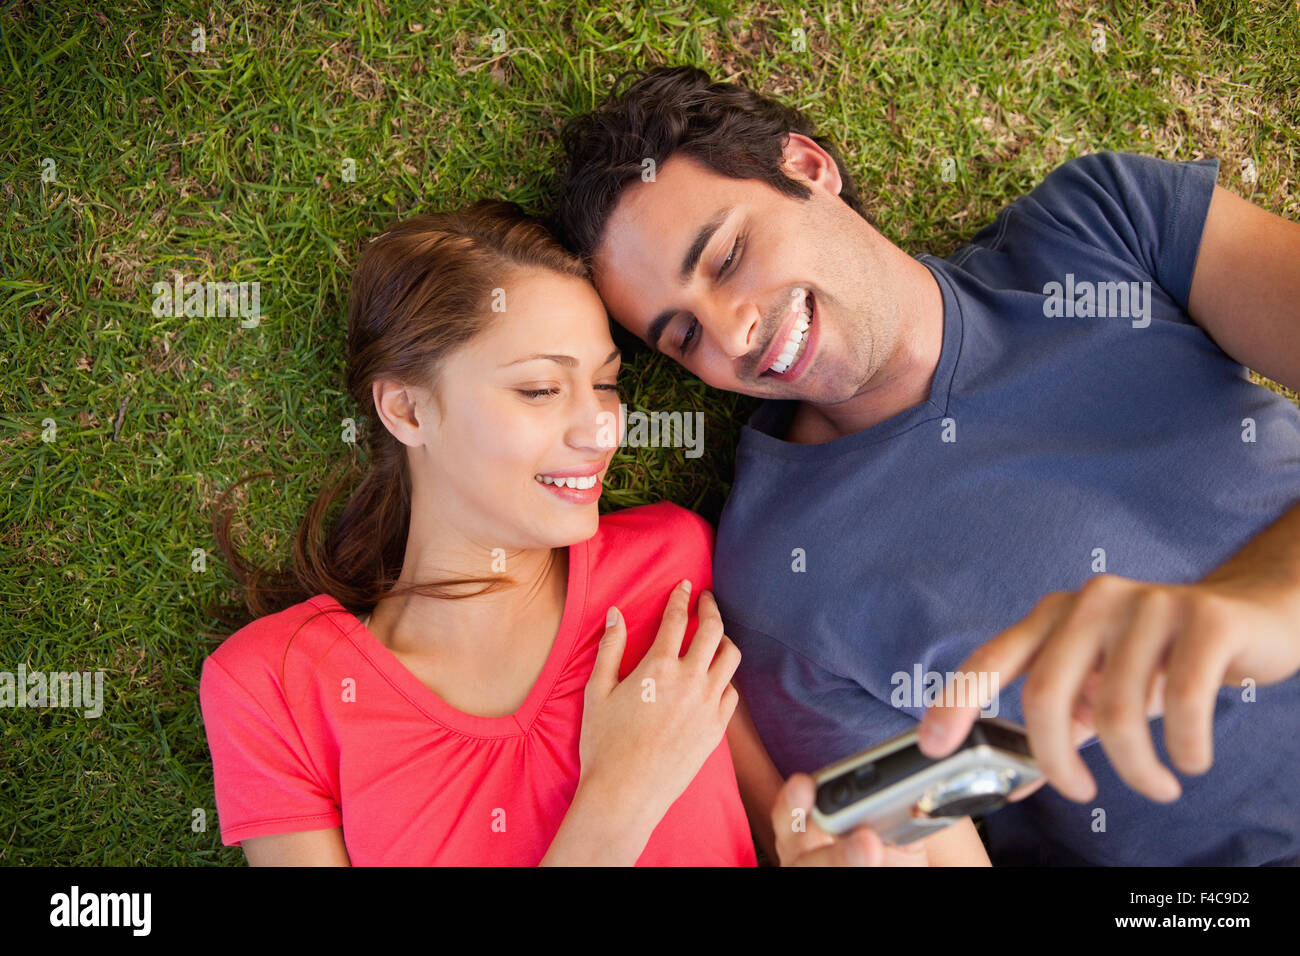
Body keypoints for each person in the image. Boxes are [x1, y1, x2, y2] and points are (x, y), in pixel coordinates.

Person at [549, 65, 1300, 866]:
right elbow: (930, 837)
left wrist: (1258, 607)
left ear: (807, 167)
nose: (733, 338)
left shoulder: (1102, 224)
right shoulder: (781, 590)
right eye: (683, 336)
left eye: (729, 256)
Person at [199, 200, 990, 866]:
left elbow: (794, 822)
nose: (602, 428)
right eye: (541, 388)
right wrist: (616, 799)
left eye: (607, 383)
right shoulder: (276, 687)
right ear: (407, 410)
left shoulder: (667, 566)